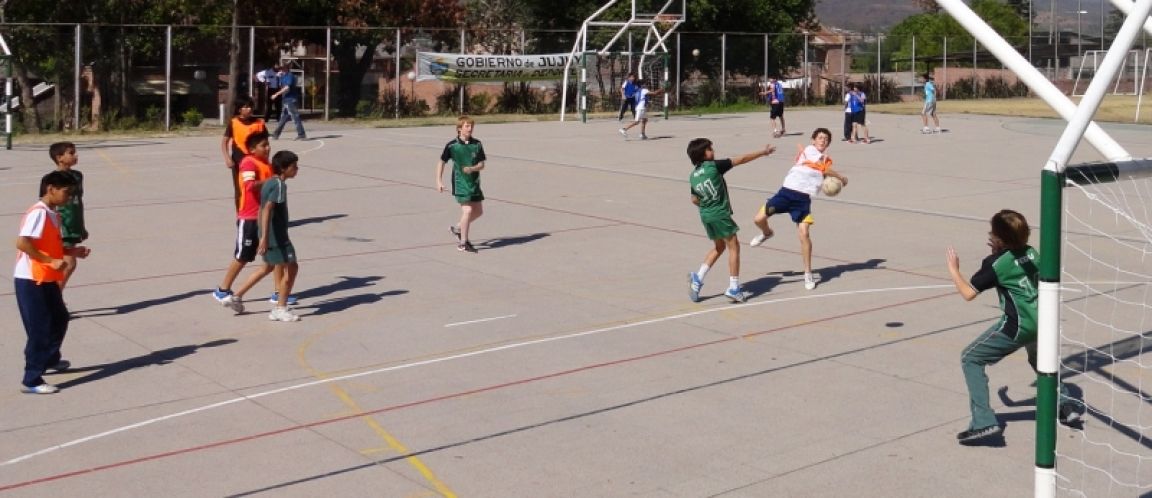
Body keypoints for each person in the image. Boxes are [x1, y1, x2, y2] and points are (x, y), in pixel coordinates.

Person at [946, 209, 1082, 444]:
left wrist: (954, 270)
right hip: (1044, 319)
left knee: (970, 358)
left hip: (1019, 326)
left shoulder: (995, 263)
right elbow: (1018, 265)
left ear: (997, 237)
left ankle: (984, 422)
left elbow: (968, 293)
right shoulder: (1032, 253)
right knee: (1040, 359)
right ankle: (1066, 405)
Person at [14, 171, 91, 394]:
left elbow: (48, 245)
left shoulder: (52, 214)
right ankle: (32, 379)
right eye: (67, 192)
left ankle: (49, 358)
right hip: (31, 278)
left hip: (46, 276)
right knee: (40, 328)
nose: (69, 198)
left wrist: (70, 250)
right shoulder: (38, 213)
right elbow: (22, 243)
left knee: (59, 317)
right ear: (51, 189)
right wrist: (50, 260)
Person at [750, 128, 848, 291]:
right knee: (758, 219)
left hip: (803, 200)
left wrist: (831, 186)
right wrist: (841, 178)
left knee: (804, 234)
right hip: (787, 192)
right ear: (813, 140)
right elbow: (824, 170)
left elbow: (824, 175)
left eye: (826, 139)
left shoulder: (826, 160)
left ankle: (808, 274)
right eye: (820, 138)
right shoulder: (810, 151)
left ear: (828, 143)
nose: (822, 140)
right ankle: (767, 233)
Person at [686, 138, 777, 304]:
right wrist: (762, 152)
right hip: (719, 214)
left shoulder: (693, 176)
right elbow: (740, 160)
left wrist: (707, 203)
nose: (713, 151)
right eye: (710, 149)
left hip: (706, 215)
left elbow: (694, 199)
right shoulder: (714, 166)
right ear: (703, 154)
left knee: (719, 247)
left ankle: (697, 278)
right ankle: (734, 287)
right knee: (734, 246)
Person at [227, 151, 301, 322]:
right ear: (284, 169)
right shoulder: (280, 186)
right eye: (294, 167)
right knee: (292, 267)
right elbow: (267, 209)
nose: (297, 169)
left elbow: (261, 209)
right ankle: (280, 308)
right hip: (277, 236)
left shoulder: (269, 182)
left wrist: (261, 231)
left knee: (268, 267)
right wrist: (265, 237)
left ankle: (236, 296)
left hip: (269, 233)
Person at [214, 132, 283, 310]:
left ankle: (278, 292)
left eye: (268, 144)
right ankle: (223, 289)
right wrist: (271, 181)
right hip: (250, 217)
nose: (267, 148)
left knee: (276, 256)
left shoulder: (267, 164)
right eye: (263, 145)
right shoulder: (248, 162)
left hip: (266, 217)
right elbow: (249, 186)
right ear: (252, 149)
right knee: (243, 256)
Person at [436, 115, 487, 253]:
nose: (470, 128)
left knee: (478, 212)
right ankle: (463, 243)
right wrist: (439, 181)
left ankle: (458, 228)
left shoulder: (477, 144)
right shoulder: (452, 146)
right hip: (460, 183)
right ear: (459, 129)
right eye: (467, 126)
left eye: (471, 126)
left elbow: (482, 164)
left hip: (474, 183)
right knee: (468, 211)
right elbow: (441, 162)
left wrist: (473, 169)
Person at [49, 142, 88, 291]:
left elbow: (77, 202)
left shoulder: (78, 176)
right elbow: (47, 203)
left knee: (65, 264)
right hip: (62, 226)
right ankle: (55, 299)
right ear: (59, 158)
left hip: (74, 224)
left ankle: (54, 297)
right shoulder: (52, 179)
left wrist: (80, 226)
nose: (75, 155)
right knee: (69, 264)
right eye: (71, 153)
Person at [220, 97, 267, 211]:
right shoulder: (234, 123)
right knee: (240, 190)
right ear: (239, 109)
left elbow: (266, 144)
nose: (249, 109)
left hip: (257, 162)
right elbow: (224, 141)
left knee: (260, 188)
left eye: (250, 106)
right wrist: (227, 158)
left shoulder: (259, 123)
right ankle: (241, 215)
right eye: (245, 107)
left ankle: (258, 215)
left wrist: (266, 160)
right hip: (239, 162)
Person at [271, 65, 307, 141]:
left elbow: (287, 88)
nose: (280, 71)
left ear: (285, 69)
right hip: (285, 100)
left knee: (295, 117)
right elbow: (280, 83)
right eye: (279, 70)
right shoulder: (282, 77)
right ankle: (276, 134)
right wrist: (278, 76)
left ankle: (302, 134)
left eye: (281, 69)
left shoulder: (290, 76)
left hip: (291, 100)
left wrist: (276, 94)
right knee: (283, 118)